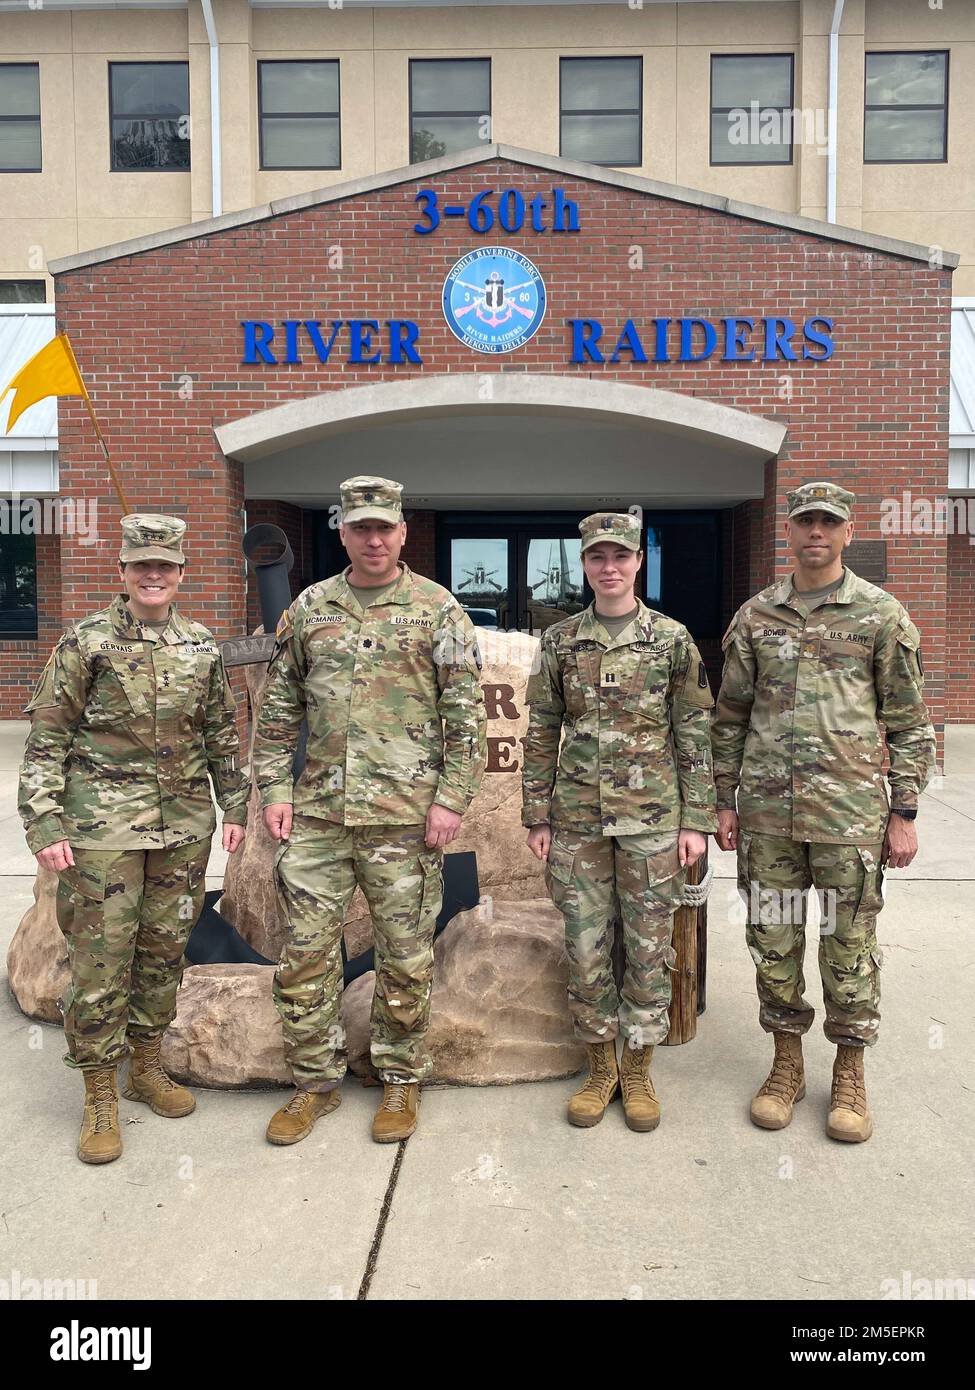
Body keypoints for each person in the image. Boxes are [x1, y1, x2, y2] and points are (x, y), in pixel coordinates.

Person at [253, 475, 486, 1146]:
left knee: (405, 958)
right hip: (319, 818)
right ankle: (313, 1084)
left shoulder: (438, 610)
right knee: (304, 956)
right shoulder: (310, 608)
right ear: (343, 532)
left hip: (405, 820)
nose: (374, 538)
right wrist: (274, 791)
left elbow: (464, 719)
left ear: (403, 532)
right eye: (361, 527)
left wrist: (449, 801)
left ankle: (400, 1079)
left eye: (385, 526)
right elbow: (277, 712)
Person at [18, 514, 248, 1164]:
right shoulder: (84, 643)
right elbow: (47, 743)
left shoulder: (201, 646)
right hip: (101, 836)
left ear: (180, 574)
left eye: (165, 566)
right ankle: (98, 1093)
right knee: (100, 961)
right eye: (141, 565)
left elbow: (220, 736)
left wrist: (234, 805)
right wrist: (45, 821)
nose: (153, 576)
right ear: (123, 572)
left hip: (182, 831)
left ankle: (145, 1067)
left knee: (162, 953)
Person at [712, 482, 936, 1143]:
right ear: (789, 530)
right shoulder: (756, 617)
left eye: (827, 522)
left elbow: (907, 720)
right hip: (769, 823)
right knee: (773, 946)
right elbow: (729, 717)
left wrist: (903, 811)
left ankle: (848, 1071)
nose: (815, 531)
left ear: (845, 531)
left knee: (848, 949)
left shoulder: (878, 615)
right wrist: (724, 801)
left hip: (847, 819)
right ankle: (785, 1067)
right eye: (805, 520)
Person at [522, 511, 717, 1131]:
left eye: (621, 557)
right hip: (576, 820)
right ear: (584, 565)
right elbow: (541, 730)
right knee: (585, 947)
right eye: (597, 558)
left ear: (638, 563)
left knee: (649, 947)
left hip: (653, 818)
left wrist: (697, 818)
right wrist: (537, 813)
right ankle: (599, 1063)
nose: (609, 568)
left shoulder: (671, 639)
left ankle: (637, 1066)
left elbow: (693, 730)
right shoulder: (559, 641)